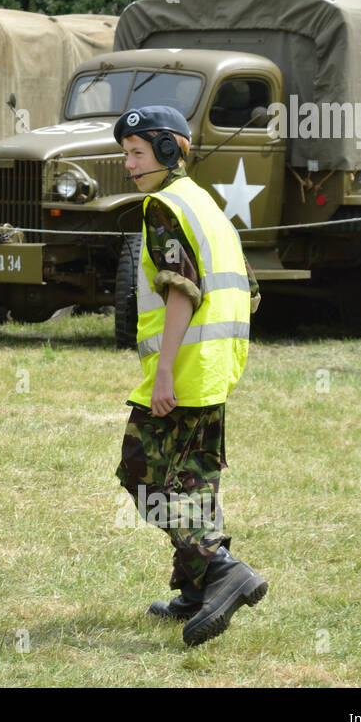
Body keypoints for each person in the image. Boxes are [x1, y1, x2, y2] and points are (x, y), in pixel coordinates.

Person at [112, 104, 267, 647]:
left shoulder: (163, 208)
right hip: (217, 368)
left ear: (171, 150)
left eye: (137, 153)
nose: (128, 165)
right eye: (125, 154)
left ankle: (222, 568)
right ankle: (196, 591)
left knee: (142, 473)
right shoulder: (205, 204)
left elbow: (181, 287)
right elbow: (249, 286)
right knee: (195, 480)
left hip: (185, 370)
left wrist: (165, 374)